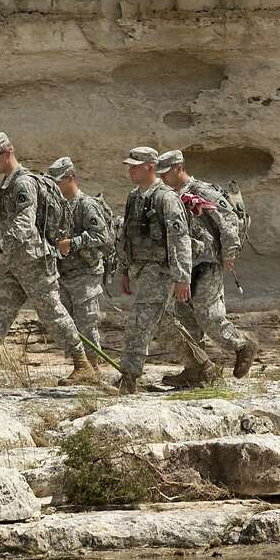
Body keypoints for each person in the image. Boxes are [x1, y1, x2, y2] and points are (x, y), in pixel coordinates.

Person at [0, 134, 97, 387]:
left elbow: (25, 223)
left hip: (34, 261)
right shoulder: (7, 183)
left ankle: (83, 365)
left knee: (53, 313)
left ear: (8, 152)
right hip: (14, 264)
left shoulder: (24, 182)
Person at [157, 149, 257, 387]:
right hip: (185, 264)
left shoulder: (201, 190)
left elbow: (228, 220)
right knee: (185, 316)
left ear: (179, 168)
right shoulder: (170, 195)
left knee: (207, 312)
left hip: (208, 261)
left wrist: (229, 253)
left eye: (166, 173)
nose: (162, 179)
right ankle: (196, 368)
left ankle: (242, 344)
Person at [115, 146, 196, 394]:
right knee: (164, 325)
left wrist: (183, 277)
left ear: (150, 167)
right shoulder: (134, 197)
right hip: (141, 270)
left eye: (135, 166)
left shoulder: (166, 198)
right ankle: (201, 366)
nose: (130, 171)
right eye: (129, 166)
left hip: (160, 272)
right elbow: (126, 235)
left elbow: (179, 239)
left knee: (139, 322)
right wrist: (124, 269)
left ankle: (128, 376)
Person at [48, 156, 113, 371]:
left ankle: (92, 368)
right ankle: (81, 367)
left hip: (86, 273)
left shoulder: (86, 205)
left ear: (71, 177)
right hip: (65, 273)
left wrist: (73, 243)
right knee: (70, 324)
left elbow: (102, 236)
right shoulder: (58, 207)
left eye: (58, 182)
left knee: (87, 322)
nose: (55, 187)